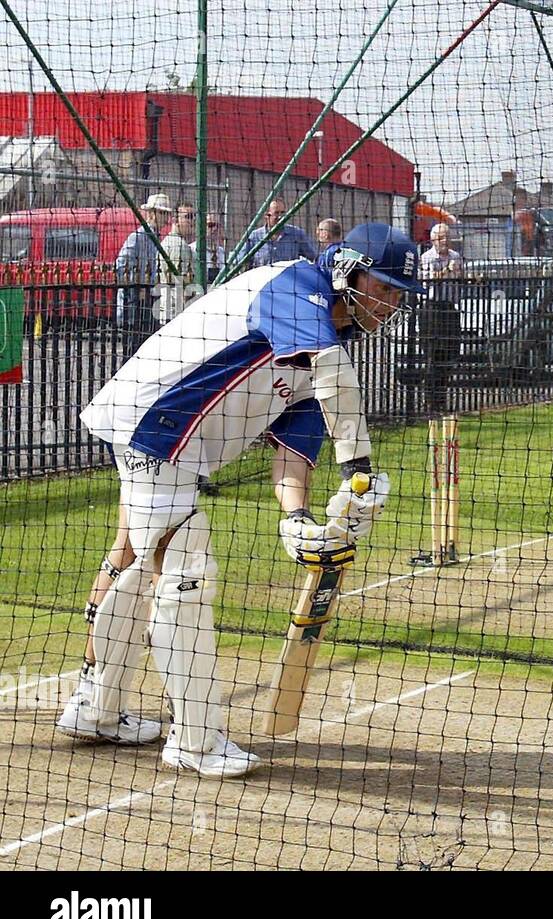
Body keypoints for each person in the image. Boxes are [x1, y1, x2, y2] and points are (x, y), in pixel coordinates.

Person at [58, 223, 422, 777]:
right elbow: (331, 373)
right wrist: (361, 470)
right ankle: (196, 740)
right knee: (185, 564)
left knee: (134, 555)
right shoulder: (295, 289)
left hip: (169, 435)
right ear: (347, 270)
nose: (393, 303)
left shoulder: (328, 344)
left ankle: (96, 708)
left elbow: (293, 450)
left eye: (400, 294)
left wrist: (297, 518)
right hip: (155, 421)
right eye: (386, 288)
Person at [114, 193, 172, 348]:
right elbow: (121, 264)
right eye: (162, 213)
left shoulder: (156, 237)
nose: (166, 218)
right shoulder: (138, 236)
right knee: (133, 347)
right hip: (135, 301)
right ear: (151, 213)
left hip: (149, 299)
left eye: (167, 213)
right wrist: (137, 285)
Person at [232, 197, 318, 271]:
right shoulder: (255, 237)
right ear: (267, 215)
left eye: (282, 213)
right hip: (262, 284)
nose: (280, 217)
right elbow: (238, 261)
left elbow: (314, 256)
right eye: (276, 213)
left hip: (287, 285)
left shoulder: (296, 235)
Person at [156, 201, 198, 323]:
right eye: (188, 217)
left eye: (194, 216)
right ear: (175, 220)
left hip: (167, 306)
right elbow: (183, 283)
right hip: (176, 309)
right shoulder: (179, 245)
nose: (192, 221)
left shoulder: (168, 241)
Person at [193, 215, 228, 281]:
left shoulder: (221, 251)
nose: (215, 229)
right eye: (211, 225)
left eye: (217, 226)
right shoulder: (193, 249)